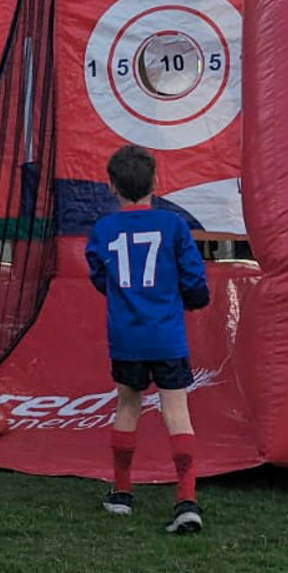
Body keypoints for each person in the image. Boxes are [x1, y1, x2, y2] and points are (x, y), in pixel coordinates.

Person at [86, 144, 210, 534]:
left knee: (127, 403)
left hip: (127, 336)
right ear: (156, 181)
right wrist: (189, 299)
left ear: (112, 187)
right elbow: (194, 281)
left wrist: (126, 297)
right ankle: (186, 499)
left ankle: (122, 492)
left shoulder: (104, 229)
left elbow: (99, 276)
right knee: (177, 411)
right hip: (167, 336)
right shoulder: (173, 226)